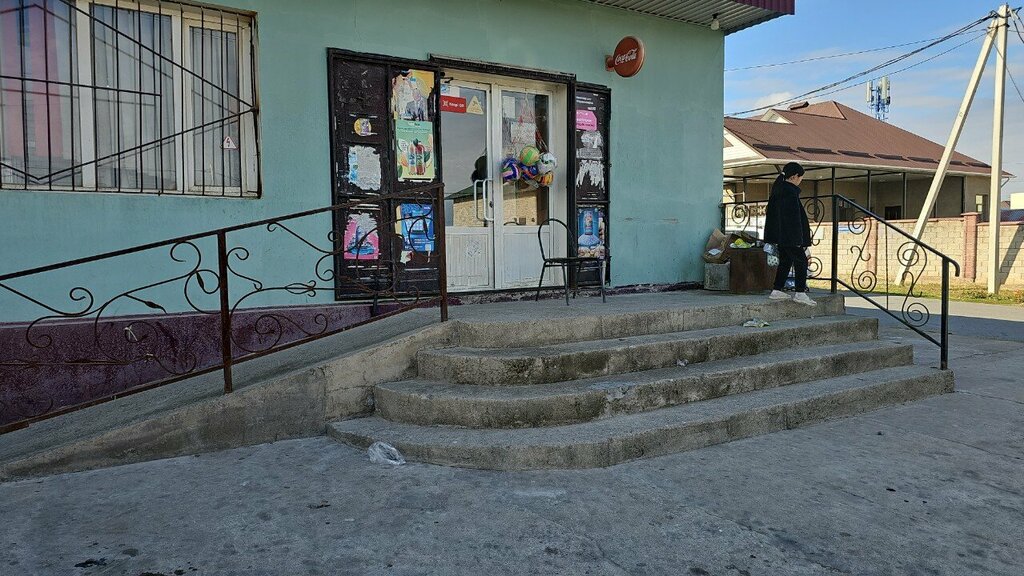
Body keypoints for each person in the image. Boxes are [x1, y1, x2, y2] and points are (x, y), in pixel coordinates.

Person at [764, 162, 815, 306]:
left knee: (786, 261)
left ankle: (777, 289)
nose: (801, 181)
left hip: (780, 235)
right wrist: (798, 239)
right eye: (800, 177)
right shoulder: (789, 192)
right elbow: (793, 218)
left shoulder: (778, 190)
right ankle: (800, 292)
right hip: (790, 236)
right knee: (801, 261)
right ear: (794, 177)